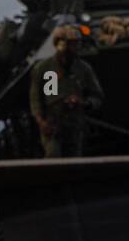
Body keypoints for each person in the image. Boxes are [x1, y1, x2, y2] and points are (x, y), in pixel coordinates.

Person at [29, 24, 105, 157]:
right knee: (53, 156)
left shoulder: (83, 69)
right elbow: (36, 98)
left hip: (75, 122)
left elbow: (97, 96)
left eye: (77, 43)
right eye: (72, 44)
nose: (76, 47)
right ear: (60, 44)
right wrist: (41, 122)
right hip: (53, 123)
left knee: (73, 160)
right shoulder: (44, 68)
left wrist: (84, 103)